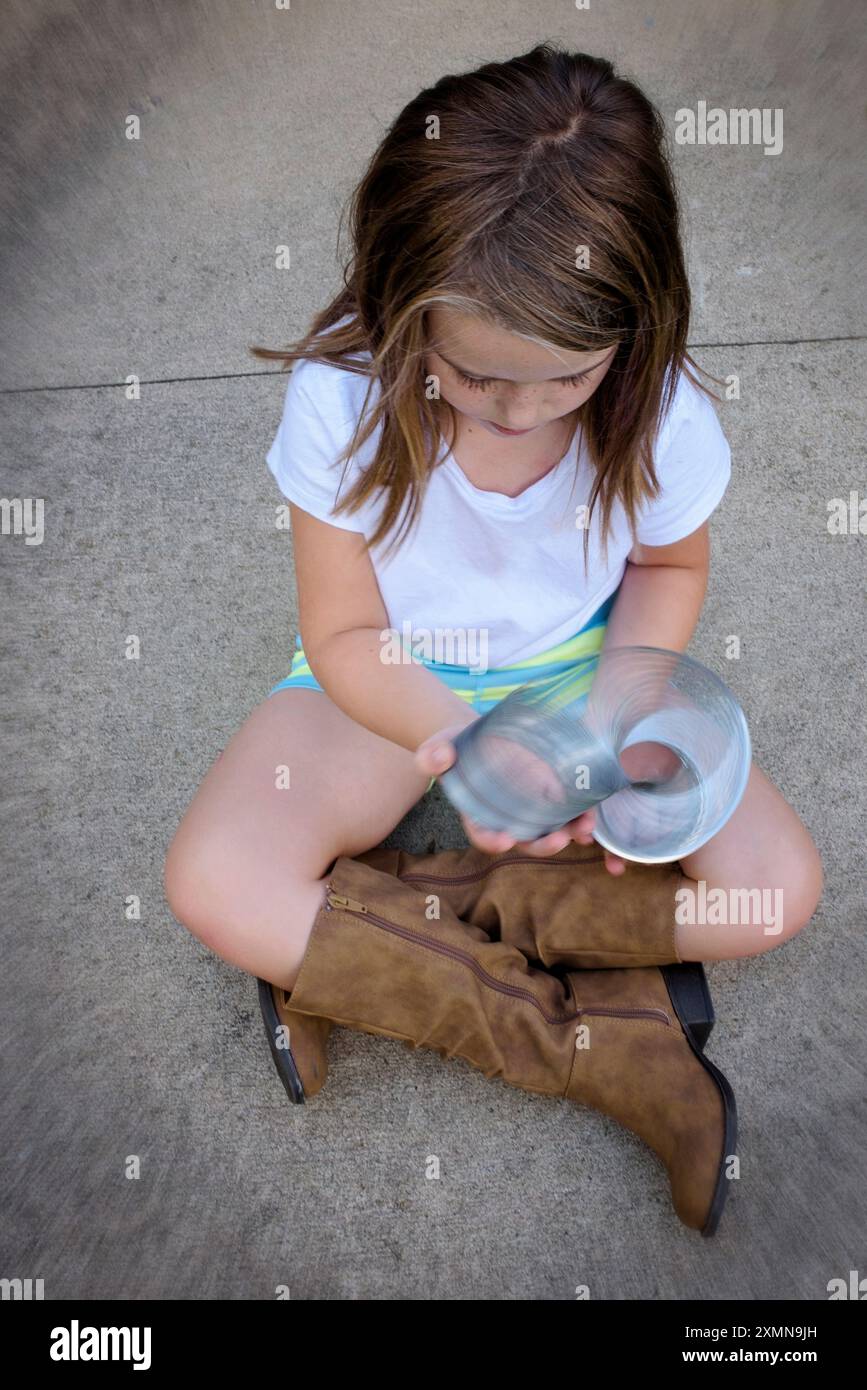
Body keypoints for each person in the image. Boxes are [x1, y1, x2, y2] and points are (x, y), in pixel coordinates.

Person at [164, 44, 823, 1236]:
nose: (516, 410)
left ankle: (358, 934)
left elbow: (670, 568)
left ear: (636, 322)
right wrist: (464, 742)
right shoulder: (340, 391)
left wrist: (606, 714)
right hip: (394, 677)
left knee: (775, 892)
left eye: (565, 378)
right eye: (471, 374)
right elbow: (348, 629)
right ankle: (607, 1048)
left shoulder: (661, 405)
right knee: (209, 878)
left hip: (584, 663)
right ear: (394, 291)